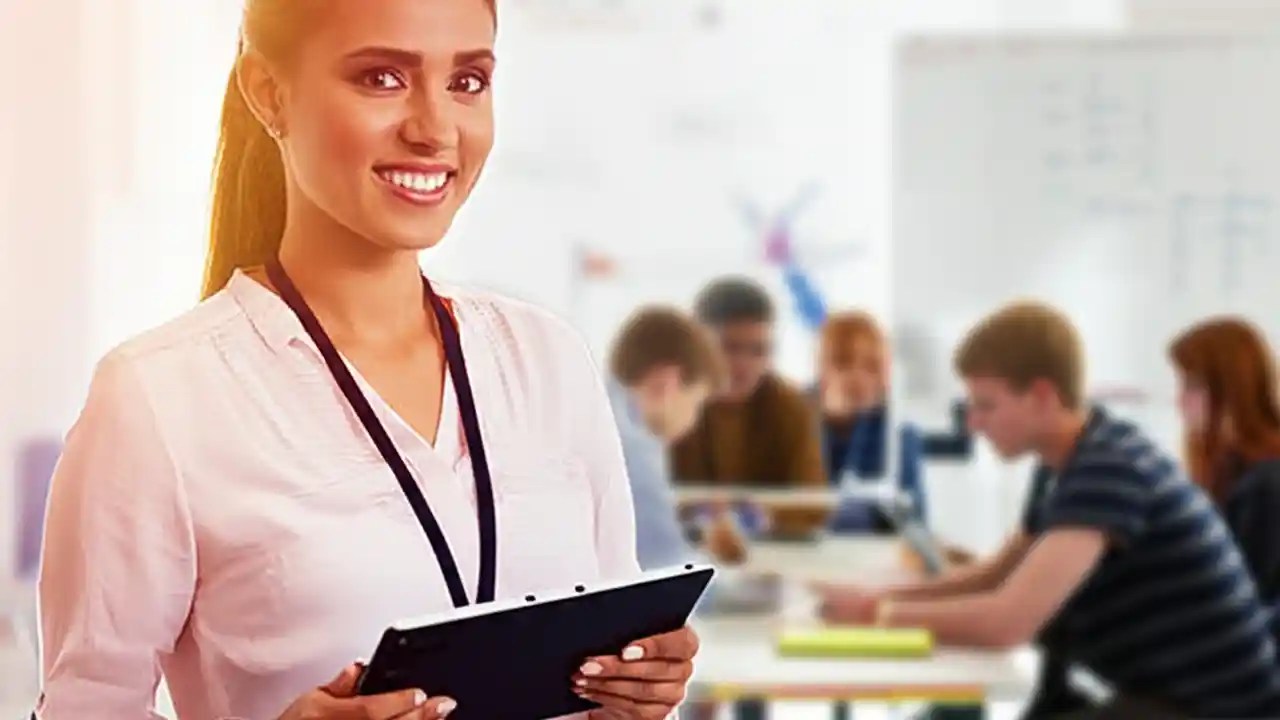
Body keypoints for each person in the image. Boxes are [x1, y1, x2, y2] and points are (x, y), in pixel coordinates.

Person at [35, 1, 697, 718]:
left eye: (468, 82)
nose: (434, 128)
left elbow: (599, 664)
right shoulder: (158, 398)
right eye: (382, 77)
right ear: (269, 93)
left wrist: (631, 693)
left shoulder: (547, 361)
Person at [818, 302, 1280, 719]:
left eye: (986, 406)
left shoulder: (1108, 469)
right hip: (1167, 698)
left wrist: (874, 617)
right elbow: (995, 575)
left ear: (1041, 396)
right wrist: (875, 601)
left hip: (1208, 710)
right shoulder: (1069, 464)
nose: (973, 424)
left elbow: (1007, 623)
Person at [671, 277, 825, 536]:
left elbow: (813, 506)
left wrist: (752, 516)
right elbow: (640, 504)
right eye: (730, 348)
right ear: (695, 344)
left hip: (772, 555)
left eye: (759, 350)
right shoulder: (666, 402)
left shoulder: (790, 406)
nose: (745, 365)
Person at [606, 306, 745, 569]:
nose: (693, 421)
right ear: (667, 382)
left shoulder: (597, 410)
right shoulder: (632, 447)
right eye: (696, 403)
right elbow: (667, 569)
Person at [1169, 317, 1280, 604]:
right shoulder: (1240, 473)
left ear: (1230, 389)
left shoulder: (1264, 485)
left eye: (1192, 386)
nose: (1179, 400)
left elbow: (1243, 603)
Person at [816, 311, 927, 533]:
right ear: (821, 369)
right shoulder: (797, 420)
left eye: (871, 366)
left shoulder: (900, 434)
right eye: (842, 363)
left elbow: (914, 519)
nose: (857, 377)